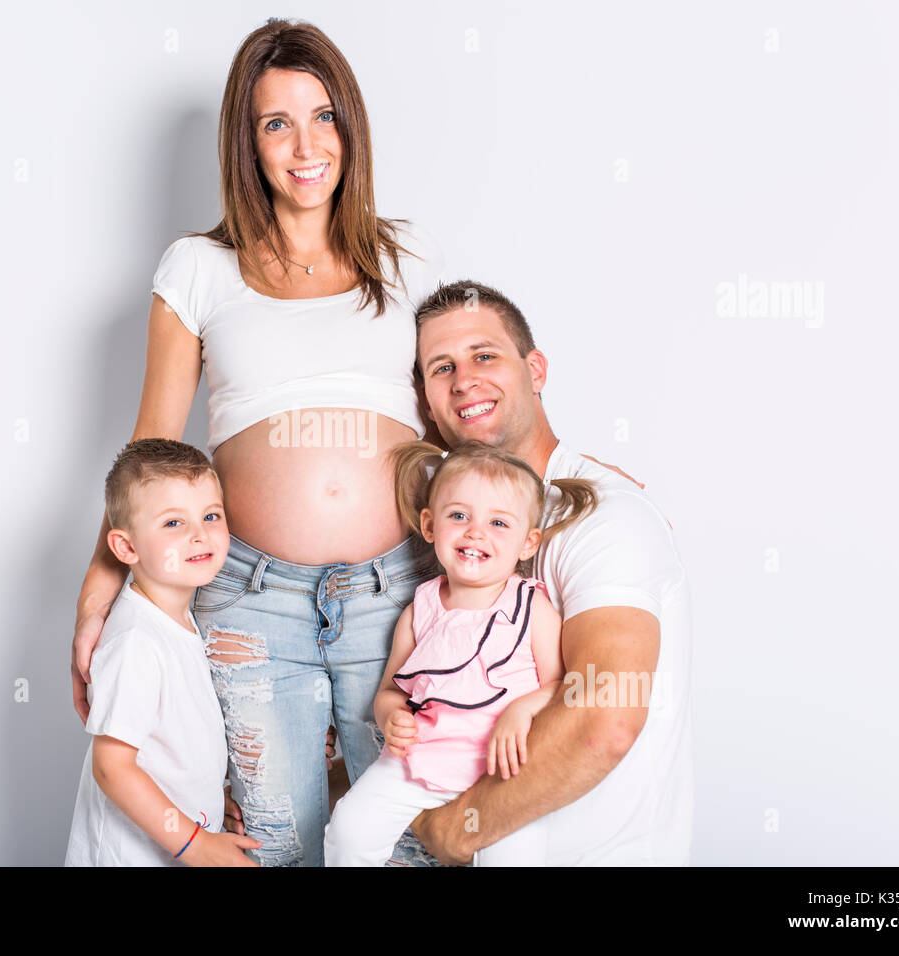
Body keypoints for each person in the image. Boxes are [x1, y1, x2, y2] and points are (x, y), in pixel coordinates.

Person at [70, 18, 447, 866]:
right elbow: (150, 450)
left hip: (398, 602)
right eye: (276, 123)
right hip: (251, 603)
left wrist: (563, 473)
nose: (305, 145)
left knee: (406, 843)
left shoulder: (408, 258)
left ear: (350, 126)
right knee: (270, 845)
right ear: (248, 144)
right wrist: (97, 599)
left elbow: (458, 426)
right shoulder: (197, 267)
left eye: (323, 117)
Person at [406, 279, 694, 865]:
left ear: (535, 370)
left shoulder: (605, 519)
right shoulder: (454, 533)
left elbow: (605, 716)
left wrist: (456, 829)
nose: (465, 380)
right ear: (426, 403)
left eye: (484, 355)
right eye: (442, 368)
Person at [323, 440, 598, 866]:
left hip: (506, 772)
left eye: (498, 523)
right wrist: (391, 716)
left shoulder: (531, 607)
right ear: (430, 526)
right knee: (350, 827)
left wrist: (522, 709)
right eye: (459, 516)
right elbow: (391, 690)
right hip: (423, 757)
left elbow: (563, 686)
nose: (476, 532)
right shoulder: (420, 609)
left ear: (528, 543)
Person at [65, 438, 261, 866]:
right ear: (126, 548)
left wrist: (204, 802)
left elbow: (172, 749)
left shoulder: (179, 623)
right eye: (174, 523)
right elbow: (112, 768)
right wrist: (197, 843)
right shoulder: (136, 641)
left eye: (211, 515)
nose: (200, 533)